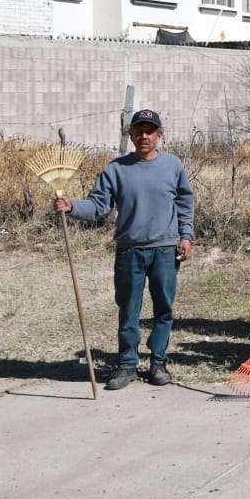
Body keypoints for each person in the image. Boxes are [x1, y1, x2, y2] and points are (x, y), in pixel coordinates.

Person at [56, 108, 194, 391]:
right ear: (130, 135)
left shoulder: (173, 166)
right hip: (130, 251)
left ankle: (158, 362)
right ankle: (128, 364)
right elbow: (98, 205)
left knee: (163, 309)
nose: (144, 136)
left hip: (165, 250)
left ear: (160, 135)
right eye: (138, 131)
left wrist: (186, 235)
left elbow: (184, 204)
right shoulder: (116, 169)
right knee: (128, 310)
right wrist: (72, 207)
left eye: (150, 131)